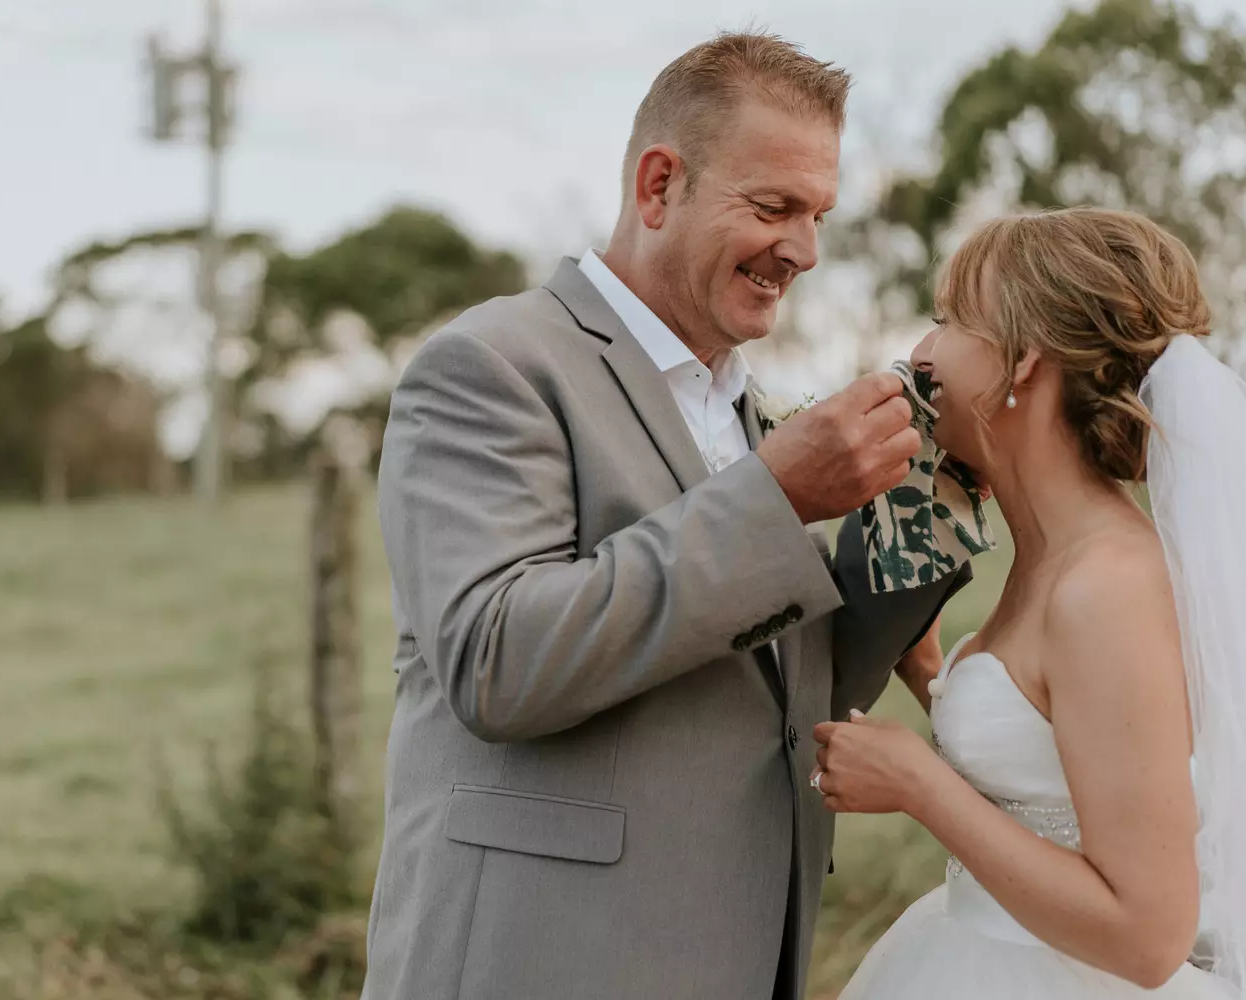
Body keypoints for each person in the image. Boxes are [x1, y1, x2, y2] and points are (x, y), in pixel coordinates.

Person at [361, 32, 972, 1000]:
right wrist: (776, 498)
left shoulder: (745, 403)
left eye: (817, 215)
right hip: (546, 958)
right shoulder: (492, 365)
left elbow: (771, 690)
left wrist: (938, 499)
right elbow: (496, 663)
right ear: (658, 185)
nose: (804, 251)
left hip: (734, 948)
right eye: (774, 207)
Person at [814, 207, 1246, 999]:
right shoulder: (1050, 556)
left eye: (948, 321)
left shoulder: (1106, 584)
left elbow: (1148, 937)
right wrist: (934, 672)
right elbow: (1053, 763)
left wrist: (919, 786)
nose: (920, 353)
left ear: (1023, 363)